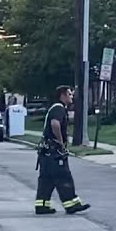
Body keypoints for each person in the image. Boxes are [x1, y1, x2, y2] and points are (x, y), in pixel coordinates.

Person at [34, 85, 90, 216]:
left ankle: (41, 206)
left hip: (46, 153)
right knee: (64, 176)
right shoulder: (59, 108)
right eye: (69, 94)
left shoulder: (55, 108)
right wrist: (60, 142)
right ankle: (72, 205)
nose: (71, 97)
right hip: (54, 152)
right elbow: (55, 124)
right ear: (62, 95)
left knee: (46, 179)